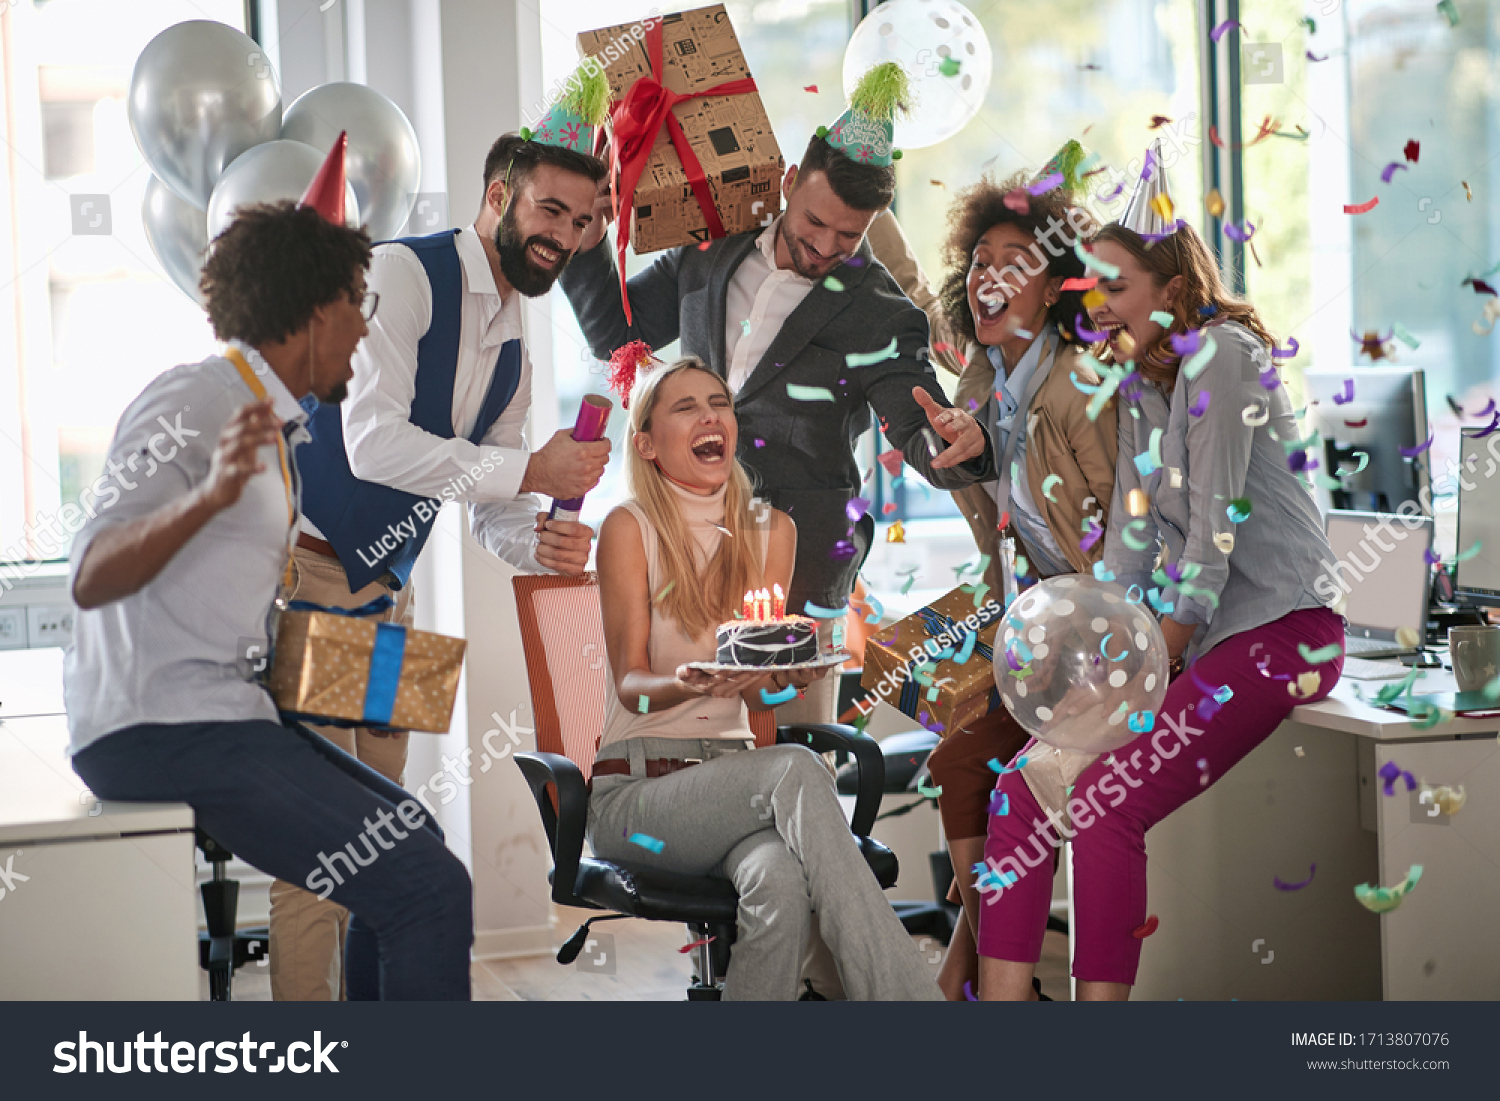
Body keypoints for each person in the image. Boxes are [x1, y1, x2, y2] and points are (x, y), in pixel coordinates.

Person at [66, 200, 473, 1000]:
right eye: (359, 303)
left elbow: (229, 620)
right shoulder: (193, 400)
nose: (365, 327)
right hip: (163, 728)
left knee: (416, 838)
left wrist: (380, 681)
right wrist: (207, 498)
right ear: (317, 311)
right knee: (428, 885)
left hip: (223, 708)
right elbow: (90, 571)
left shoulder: (278, 425)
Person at [271, 67, 612, 1000]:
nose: (564, 237)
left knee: (383, 846)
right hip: (320, 583)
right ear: (498, 194)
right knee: (321, 861)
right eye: (550, 210)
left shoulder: (515, 338)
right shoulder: (400, 273)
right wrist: (528, 472)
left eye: (581, 223)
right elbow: (373, 442)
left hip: (394, 595)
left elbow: (491, 507)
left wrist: (533, 537)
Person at [974, 156, 1343, 1001]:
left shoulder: (1223, 356)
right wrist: (1105, 653)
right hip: (1195, 638)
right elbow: (1136, 543)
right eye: (1091, 287)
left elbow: (1213, 534)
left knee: (1103, 801)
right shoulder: (1142, 375)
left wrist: (1149, 663)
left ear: (1173, 289)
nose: (1096, 304)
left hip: (1285, 631)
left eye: (1115, 286)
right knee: (1021, 789)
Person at [561, 62, 992, 732]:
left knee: (793, 762)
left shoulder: (881, 311)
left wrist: (960, 442)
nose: (823, 247)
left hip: (801, 571)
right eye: (815, 222)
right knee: (688, 740)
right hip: (685, 551)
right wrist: (588, 240)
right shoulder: (713, 245)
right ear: (790, 183)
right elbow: (615, 330)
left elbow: (917, 421)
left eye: (847, 237)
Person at [589, 355, 943, 1001]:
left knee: (778, 880)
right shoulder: (626, 527)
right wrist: (693, 682)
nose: (710, 416)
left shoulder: (770, 529)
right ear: (646, 441)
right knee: (797, 767)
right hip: (641, 799)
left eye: (718, 401)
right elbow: (631, 685)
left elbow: (757, 688)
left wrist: (791, 675)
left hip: (738, 790)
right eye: (686, 405)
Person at [922, 152, 1118, 1001]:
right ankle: (988, 973)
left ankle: (971, 975)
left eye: (1017, 264)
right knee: (958, 762)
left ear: (1054, 287)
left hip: (1111, 640)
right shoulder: (986, 378)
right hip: (1039, 629)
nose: (989, 278)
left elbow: (1128, 539)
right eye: (980, 262)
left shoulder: (1077, 385)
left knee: (1004, 782)